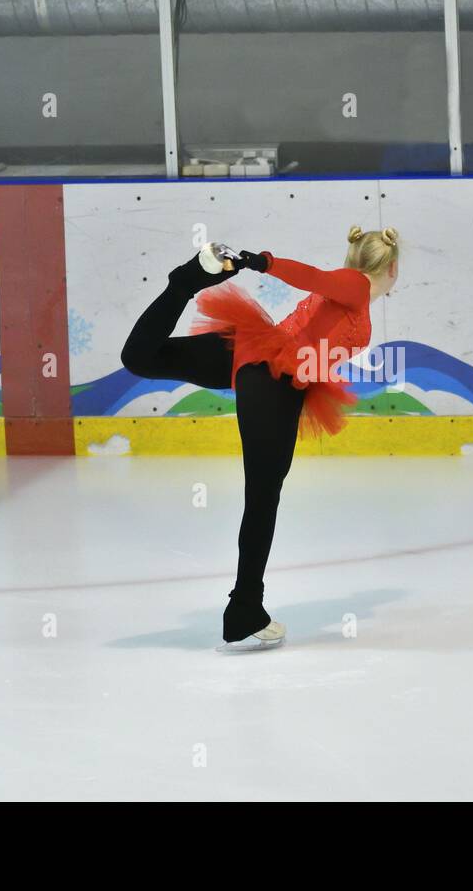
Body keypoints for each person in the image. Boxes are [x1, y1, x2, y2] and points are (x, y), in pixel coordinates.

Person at [121, 226, 401, 650]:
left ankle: (183, 283)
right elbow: (313, 277)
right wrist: (262, 262)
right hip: (273, 375)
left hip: (252, 352)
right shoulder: (357, 287)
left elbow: (319, 296)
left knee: (140, 357)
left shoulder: (351, 295)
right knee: (263, 495)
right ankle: (245, 612)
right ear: (392, 268)